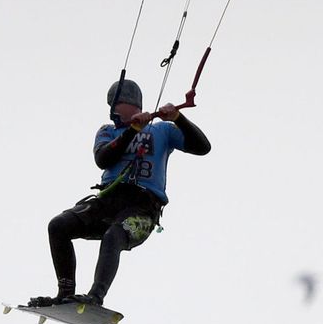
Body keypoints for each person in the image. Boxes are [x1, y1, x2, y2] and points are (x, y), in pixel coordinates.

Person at [30, 78, 211, 308]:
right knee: (58, 226)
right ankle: (65, 293)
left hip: (143, 208)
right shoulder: (107, 131)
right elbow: (103, 159)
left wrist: (178, 118)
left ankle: (95, 296)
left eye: (114, 104)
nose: (112, 111)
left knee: (114, 236)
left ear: (128, 102)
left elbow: (203, 147)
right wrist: (132, 130)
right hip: (107, 203)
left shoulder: (162, 130)